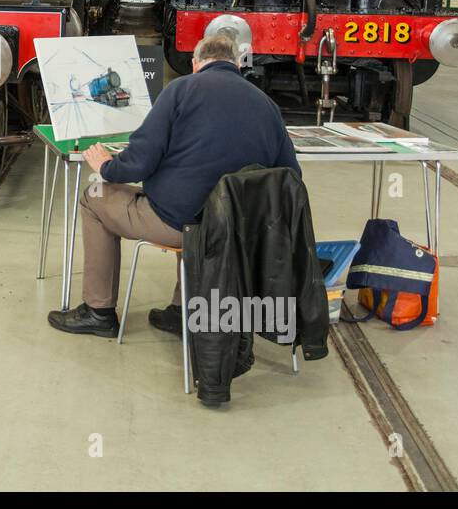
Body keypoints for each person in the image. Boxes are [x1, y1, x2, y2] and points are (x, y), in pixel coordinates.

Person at [47, 32, 300, 338]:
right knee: (198, 203)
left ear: (195, 64)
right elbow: (290, 176)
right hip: (238, 227)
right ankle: (183, 311)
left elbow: (138, 164)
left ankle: (98, 311)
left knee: (94, 197)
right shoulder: (267, 104)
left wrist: (105, 165)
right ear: (237, 64)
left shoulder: (180, 90)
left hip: (180, 223)